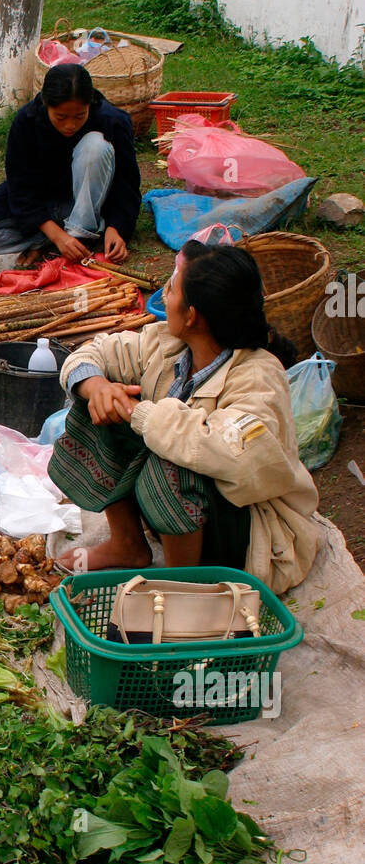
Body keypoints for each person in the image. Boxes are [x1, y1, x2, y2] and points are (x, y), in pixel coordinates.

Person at [47, 227, 320, 595]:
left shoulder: (259, 375)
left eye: (172, 288)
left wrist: (138, 414)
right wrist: (97, 387)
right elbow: (95, 352)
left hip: (245, 532)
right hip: (188, 516)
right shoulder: (169, 344)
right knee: (92, 403)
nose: (163, 294)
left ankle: (179, 587)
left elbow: (227, 450)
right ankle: (128, 545)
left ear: (193, 316)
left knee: (172, 461)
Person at [0, 64, 140, 266]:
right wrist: (57, 236)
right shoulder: (26, 122)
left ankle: (80, 236)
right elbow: (20, 188)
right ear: (45, 103)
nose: (70, 125)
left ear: (91, 105)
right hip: (41, 204)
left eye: (80, 116)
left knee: (96, 145)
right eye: (61, 117)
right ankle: (47, 242)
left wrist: (116, 226)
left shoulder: (112, 121)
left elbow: (127, 182)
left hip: (86, 204)